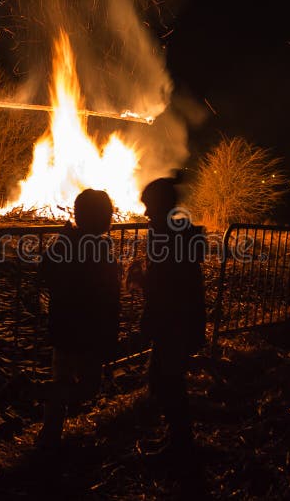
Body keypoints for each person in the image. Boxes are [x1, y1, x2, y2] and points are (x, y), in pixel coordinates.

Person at [127, 176, 206, 457]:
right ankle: (176, 438)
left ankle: (180, 444)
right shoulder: (176, 230)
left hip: (174, 321)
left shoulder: (169, 234)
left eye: (149, 206)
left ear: (161, 206)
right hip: (178, 320)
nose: (146, 213)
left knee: (167, 381)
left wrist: (140, 279)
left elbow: (167, 284)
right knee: (163, 379)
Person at [35, 189, 121, 449]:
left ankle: (49, 427)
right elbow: (109, 292)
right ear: (105, 219)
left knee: (67, 381)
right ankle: (43, 413)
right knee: (84, 383)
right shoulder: (96, 247)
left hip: (68, 325)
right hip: (87, 328)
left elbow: (44, 273)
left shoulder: (68, 242)